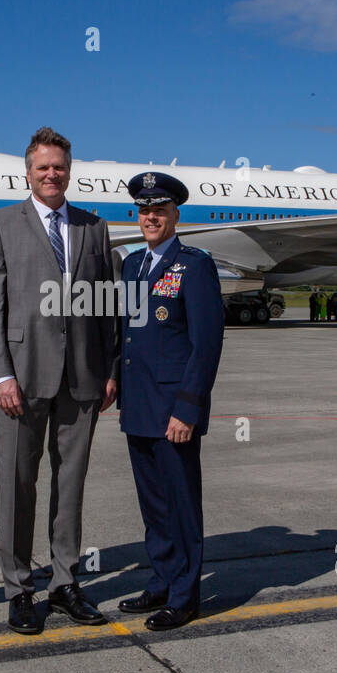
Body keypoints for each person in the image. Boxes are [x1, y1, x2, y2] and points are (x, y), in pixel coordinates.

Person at [0, 127, 118, 635]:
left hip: (81, 378)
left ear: (69, 170)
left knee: (71, 484)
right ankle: (18, 588)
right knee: (18, 484)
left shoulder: (93, 227)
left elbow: (107, 307)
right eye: (43, 167)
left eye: (59, 166)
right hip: (20, 376)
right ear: (28, 172)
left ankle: (64, 583)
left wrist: (108, 370)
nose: (52, 174)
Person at [116, 173, 224, 630]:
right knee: (153, 504)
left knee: (180, 504)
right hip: (138, 405)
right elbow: (130, 335)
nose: (151, 218)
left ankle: (185, 596)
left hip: (173, 410)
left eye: (159, 210)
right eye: (144, 211)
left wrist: (188, 407)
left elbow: (206, 343)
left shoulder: (193, 265)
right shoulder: (131, 265)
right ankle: (161, 580)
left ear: (176, 215)